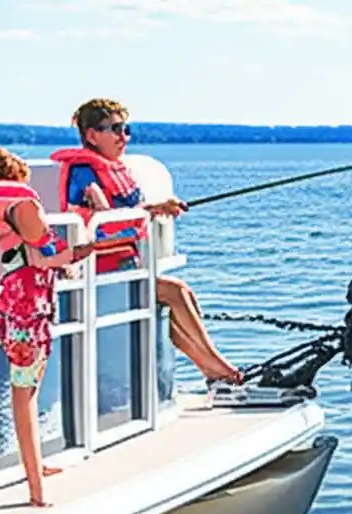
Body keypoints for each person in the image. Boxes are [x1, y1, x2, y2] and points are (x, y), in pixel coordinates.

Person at [51, 98, 242, 385]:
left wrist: (158, 208)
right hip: (100, 273)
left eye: (126, 129)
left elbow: (127, 212)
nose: (123, 137)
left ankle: (213, 372)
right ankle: (224, 369)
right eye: (114, 129)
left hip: (125, 268)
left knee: (181, 295)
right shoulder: (85, 175)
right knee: (175, 291)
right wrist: (152, 210)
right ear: (91, 135)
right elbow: (104, 218)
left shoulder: (116, 170)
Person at [0, 146, 94, 507]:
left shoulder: (2, 207)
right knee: (24, 395)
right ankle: (35, 487)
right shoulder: (23, 206)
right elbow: (46, 248)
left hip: (21, 303)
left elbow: (35, 254)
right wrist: (78, 253)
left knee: (29, 388)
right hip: (29, 307)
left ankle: (36, 465)